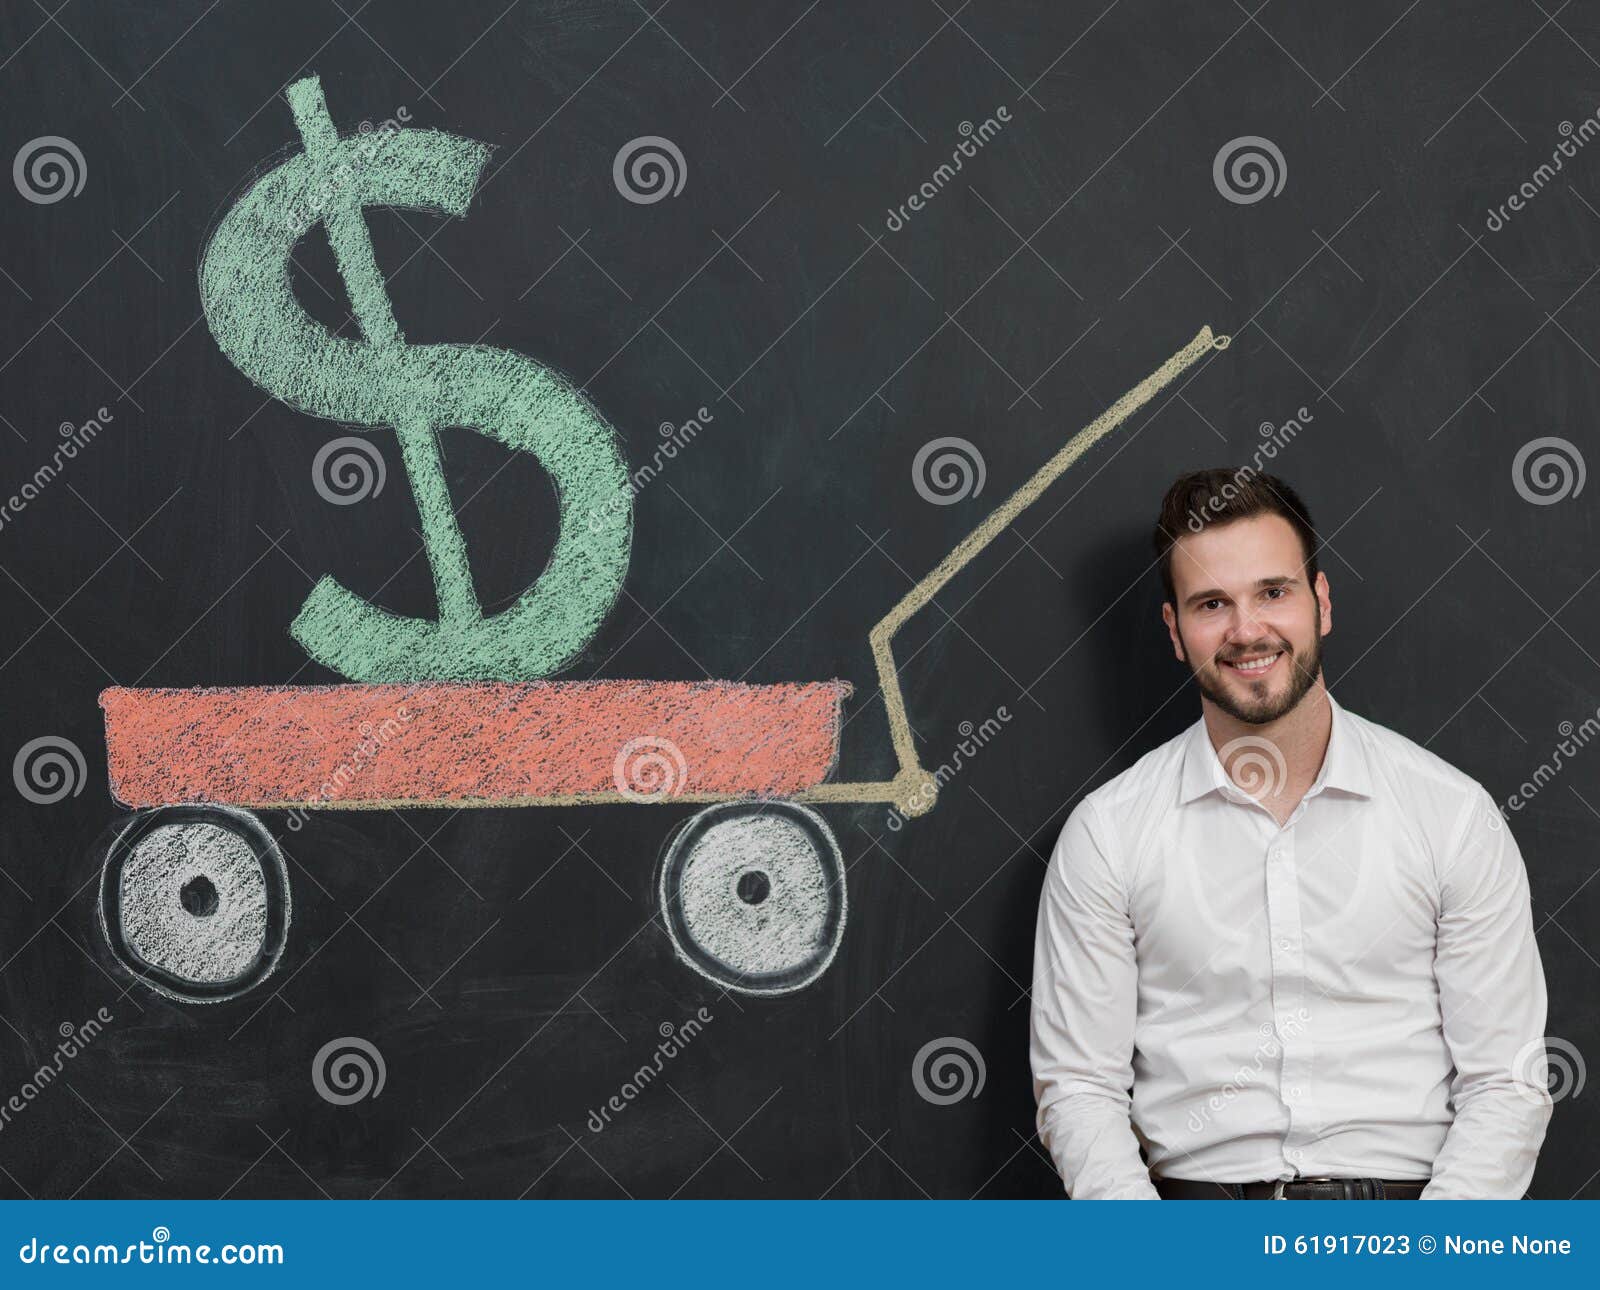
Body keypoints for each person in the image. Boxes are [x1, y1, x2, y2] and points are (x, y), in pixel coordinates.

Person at [1028, 467, 1552, 1200]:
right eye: (1213, 604)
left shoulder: (1452, 815)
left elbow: (1506, 1083)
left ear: (1321, 602)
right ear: (1175, 630)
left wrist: (1430, 1255)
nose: (1247, 631)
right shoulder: (1108, 834)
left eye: (1273, 592)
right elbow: (1079, 1088)